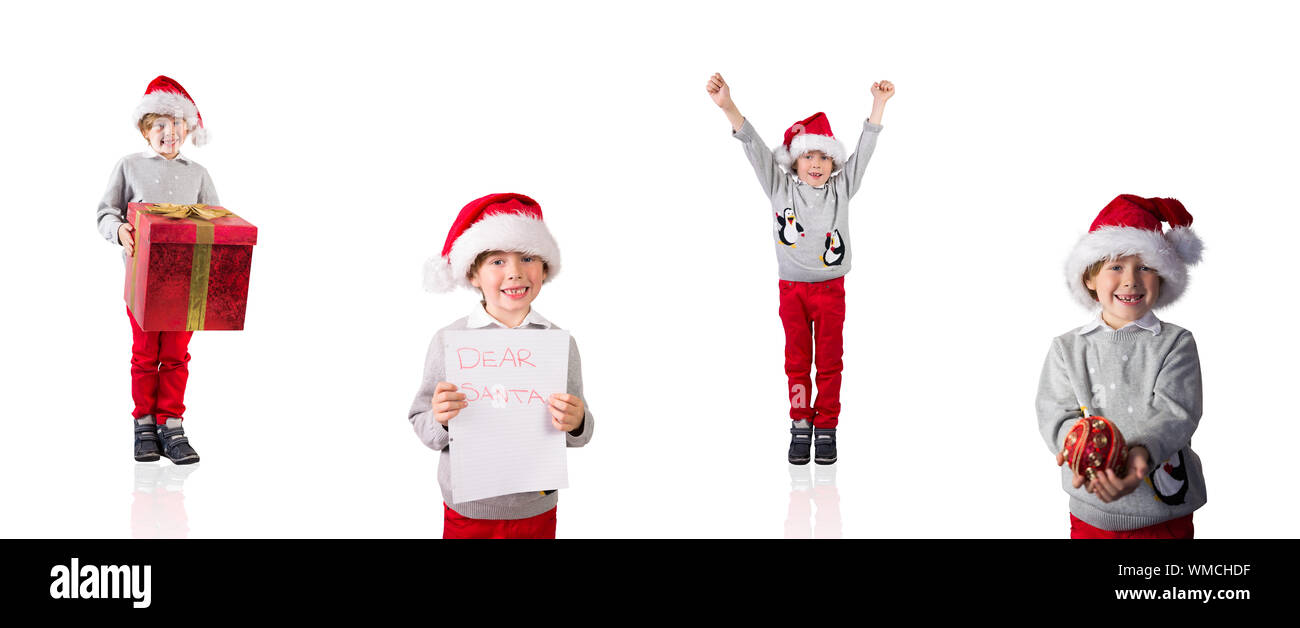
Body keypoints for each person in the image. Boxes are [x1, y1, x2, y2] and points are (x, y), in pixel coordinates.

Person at [706, 72, 894, 465]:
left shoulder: (841, 188)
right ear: (794, 160)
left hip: (830, 290)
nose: (816, 163)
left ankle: (827, 426)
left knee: (829, 363)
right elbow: (754, 147)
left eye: (824, 156)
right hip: (792, 291)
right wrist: (728, 107)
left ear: (834, 161)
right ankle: (800, 423)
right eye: (809, 155)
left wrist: (878, 105)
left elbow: (865, 150)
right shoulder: (780, 187)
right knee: (796, 363)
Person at [409, 193, 594, 539]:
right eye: (497, 261)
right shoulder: (449, 341)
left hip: (536, 507)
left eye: (527, 257)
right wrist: (441, 418)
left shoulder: (559, 343)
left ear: (544, 269)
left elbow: (580, 430)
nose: (515, 273)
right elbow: (422, 422)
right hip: (468, 509)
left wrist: (577, 421)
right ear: (473, 274)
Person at [1037, 195, 1206, 538]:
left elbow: (1177, 413)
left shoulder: (1176, 343)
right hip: (1090, 511)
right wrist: (1082, 451)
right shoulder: (1067, 348)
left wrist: (1140, 453)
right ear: (1089, 278)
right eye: (1116, 267)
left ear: (1162, 278)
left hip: (1163, 515)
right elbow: (1055, 413)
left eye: (1145, 267)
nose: (1131, 280)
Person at [97, 75, 219, 465]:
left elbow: (216, 222)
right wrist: (119, 230)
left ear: (189, 127)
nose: (170, 132)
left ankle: (172, 424)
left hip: (187, 286)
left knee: (177, 355)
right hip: (143, 286)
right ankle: (145, 424)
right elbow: (106, 213)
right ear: (145, 129)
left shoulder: (198, 174)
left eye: (177, 123)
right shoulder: (129, 167)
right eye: (160, 124)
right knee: (146, 355)